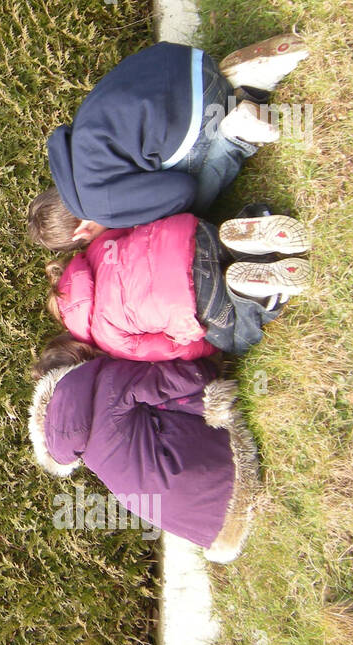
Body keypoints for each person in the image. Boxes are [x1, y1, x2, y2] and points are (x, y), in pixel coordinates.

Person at [28, 35, 309, 249]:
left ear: (82, 233)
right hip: (185, 62)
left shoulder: (97, 207)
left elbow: (181, 190)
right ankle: (242, 82)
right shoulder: (72, 151)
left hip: (194, 106)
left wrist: (154, 217)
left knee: (186, 203)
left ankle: (235, 135)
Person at [27, 345, 260, 563]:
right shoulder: (104, 381)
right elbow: (177, 381)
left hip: (198, 525)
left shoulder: (75, 437)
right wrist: (208, 363)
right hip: (216, 480)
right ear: (80, 360)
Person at [44, 208, 312, 357]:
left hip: (197, 299)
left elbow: (170, 349)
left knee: (236, 341)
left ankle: (251, 295)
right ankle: (247, 233)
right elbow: (134, 226)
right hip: (193, 234)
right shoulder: (96, 250)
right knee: (219, 241)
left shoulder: (107, 338)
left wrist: (206, 343)